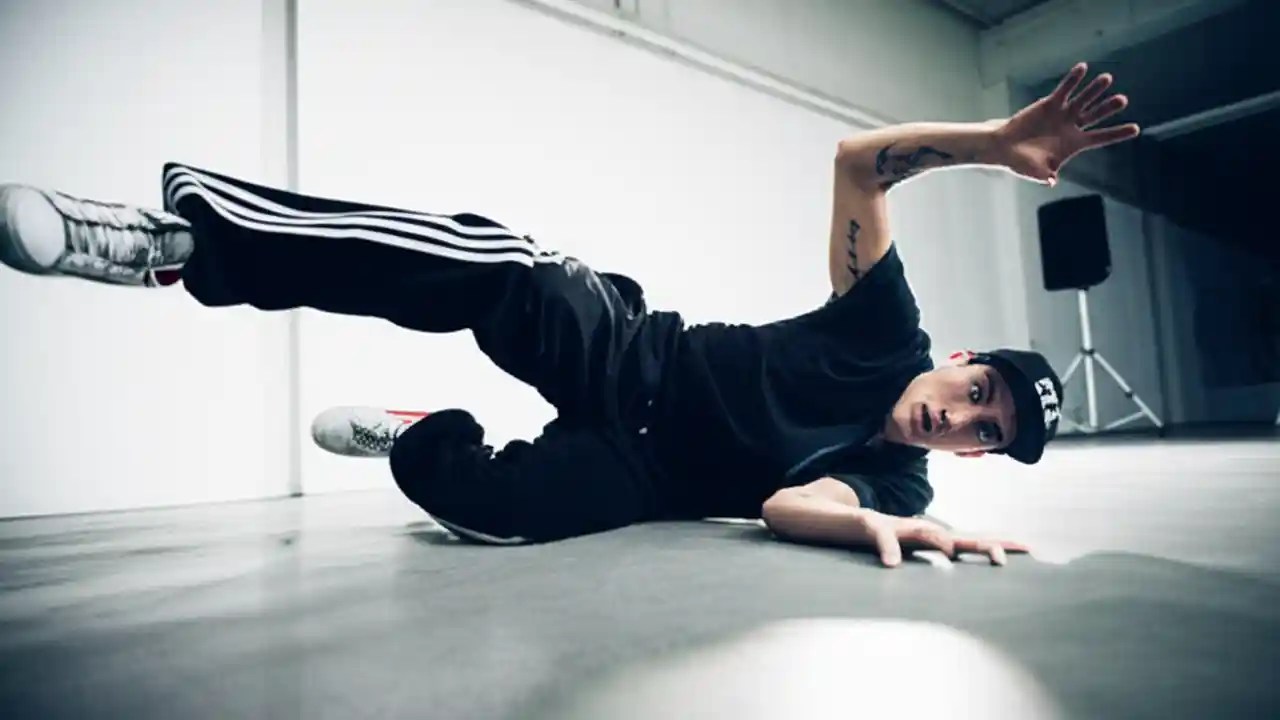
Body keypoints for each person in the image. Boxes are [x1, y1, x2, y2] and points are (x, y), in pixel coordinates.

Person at [0, 63, 1138, 567]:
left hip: (638, 478)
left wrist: (894, 532)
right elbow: (856, 163)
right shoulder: (884, 331)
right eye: (978, 391)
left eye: (985, 432)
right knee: (504, 272)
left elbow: (789, 506)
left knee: (493, 514)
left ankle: (414, 434)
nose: (960, 417)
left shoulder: (898, 488)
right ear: (958, 358)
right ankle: (181, 243)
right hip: (630, 354)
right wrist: (991, 144)